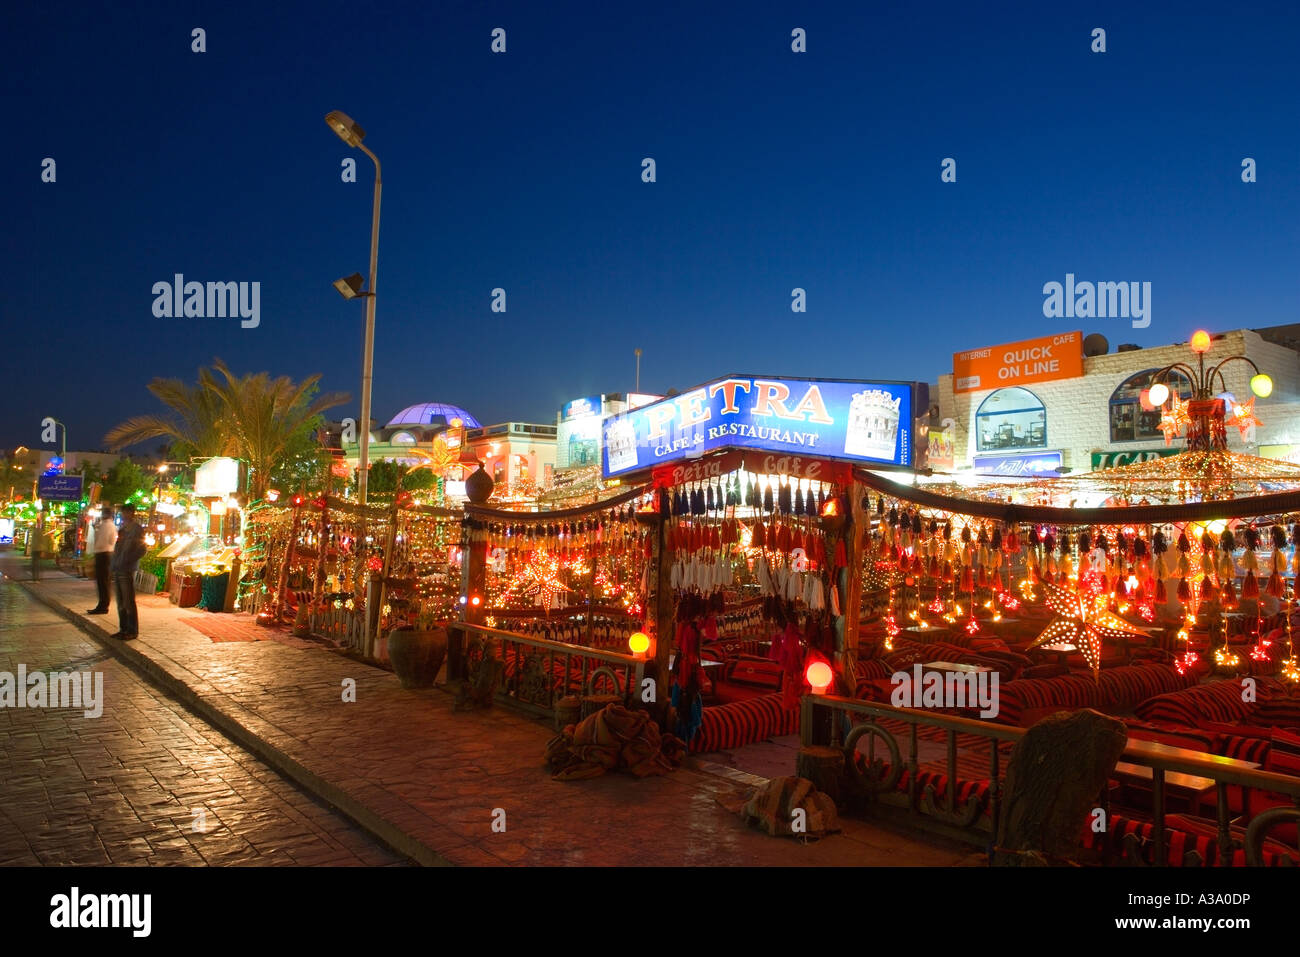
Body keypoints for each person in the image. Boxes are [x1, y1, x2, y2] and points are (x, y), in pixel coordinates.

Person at [110, 503, 147, 640]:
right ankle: (123, 628)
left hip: (126, 569)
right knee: (120, 602)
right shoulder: (122, 529)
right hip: (118, 568)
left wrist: (128, 560)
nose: (124, 515)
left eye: (126, 512)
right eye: (123, 512)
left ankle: (132, 630)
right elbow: (118, 548)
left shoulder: (136, 529)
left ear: (132, 513)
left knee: (128, 601)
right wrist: (114, 564)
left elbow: (142, 549)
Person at [85, 505, 116, 615]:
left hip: (103, 554)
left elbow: (101, 541)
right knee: (104, 581)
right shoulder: (111, 525)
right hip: (107, 554)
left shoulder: (104, 525)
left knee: (102, 581)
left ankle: (103, 605)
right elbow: (112, 541)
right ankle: (103, 604)